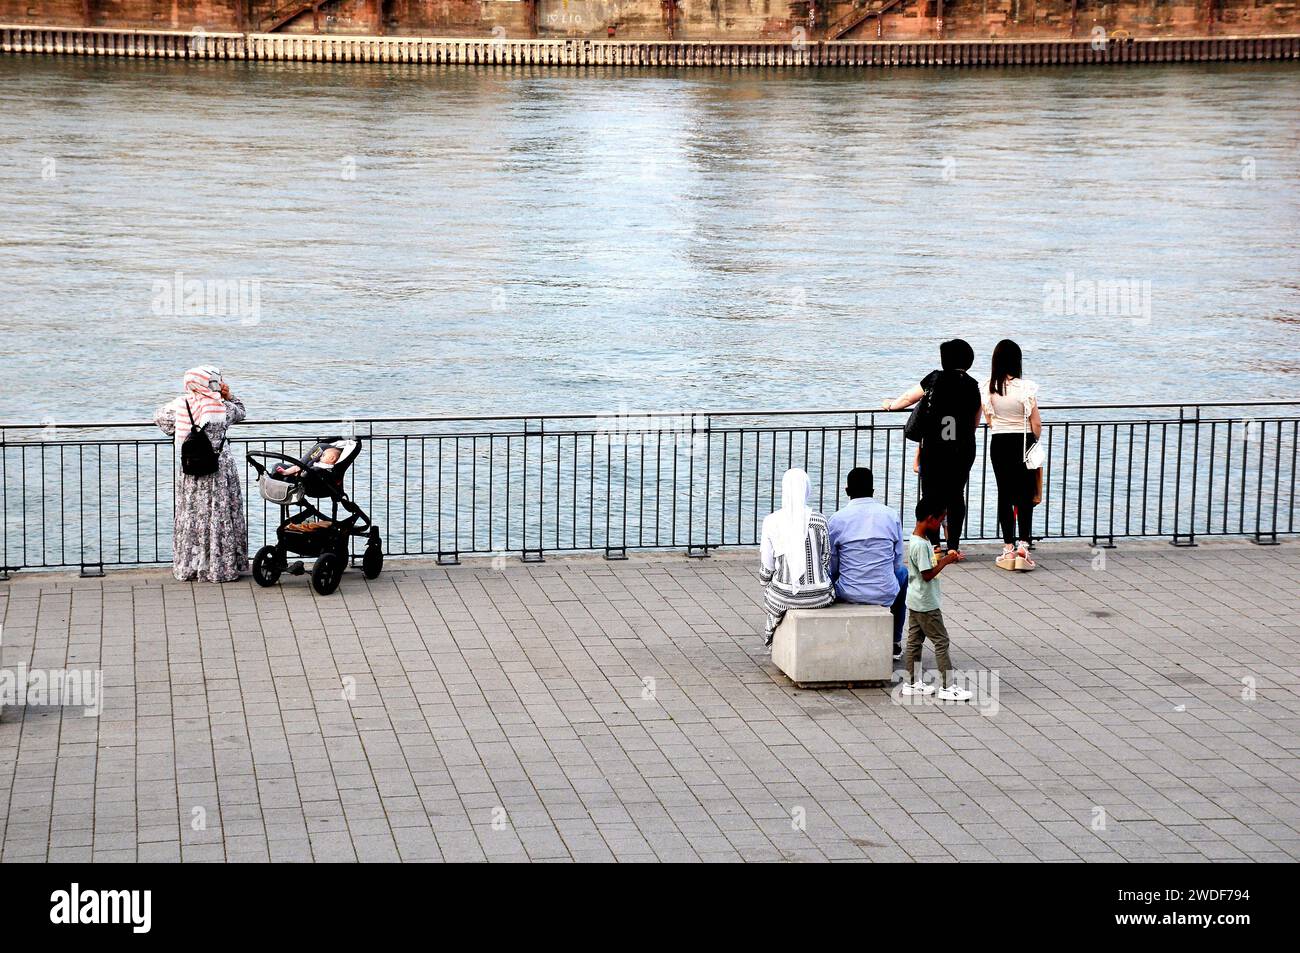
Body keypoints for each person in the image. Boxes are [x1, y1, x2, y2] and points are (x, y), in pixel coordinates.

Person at [882, 339, 982, 558]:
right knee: (956, 495)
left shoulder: (935, 378)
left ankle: (935, 545)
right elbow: (975, 422)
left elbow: (909, 397)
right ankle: (953, 546)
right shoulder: (973, 385)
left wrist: (891, 405)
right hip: (962, 449)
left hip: (934, 447)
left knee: (931, 494)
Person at [154, 366, 249, 583]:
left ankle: (191, 567)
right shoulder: (222, 407)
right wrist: (229, 394)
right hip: (219, 469)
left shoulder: (180, 406)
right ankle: (220, 568)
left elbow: (161, 421)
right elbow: (242, 411)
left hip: (191, 470)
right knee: (219, 515)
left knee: (193, 516)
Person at [827, 467, 908, 660]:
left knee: (829, 573)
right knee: (903, 573)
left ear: (847, 491)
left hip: (849, 591)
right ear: (873, 491)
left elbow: (832, 563)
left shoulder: (837, 520)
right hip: (885, 592)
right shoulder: (890, 515)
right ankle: (895, 641)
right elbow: (897, 561)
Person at [900, 499, 972, 702]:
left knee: (914, 641)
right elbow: (927, 574)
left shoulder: (915, 541)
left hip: (914, 599)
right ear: (930, 519)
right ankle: (948, 687)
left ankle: (912, 682)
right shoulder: (922, 545)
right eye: (940, 520)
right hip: (926, 603)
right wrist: (946, 561)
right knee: (941, 641)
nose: (941, 525)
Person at [981, 339, 1041, 571]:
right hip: (1023, 442)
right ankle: (1024, 547)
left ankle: (1007, 547)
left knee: (1004, 494)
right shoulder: (1026, 388)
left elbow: (990, 420)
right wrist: (1033, 443)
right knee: (1025, 495)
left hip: (999, 442)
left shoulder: (987, 387)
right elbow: (1036, 423)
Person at [759, 468, 834, 648]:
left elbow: (767, 567)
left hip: (785, 596)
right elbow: (825, 559)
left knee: (770, 592)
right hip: (820, 595)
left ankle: (773, 640)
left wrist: (765, 581)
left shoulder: (772, 521)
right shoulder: (820, 520)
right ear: (806, 489)